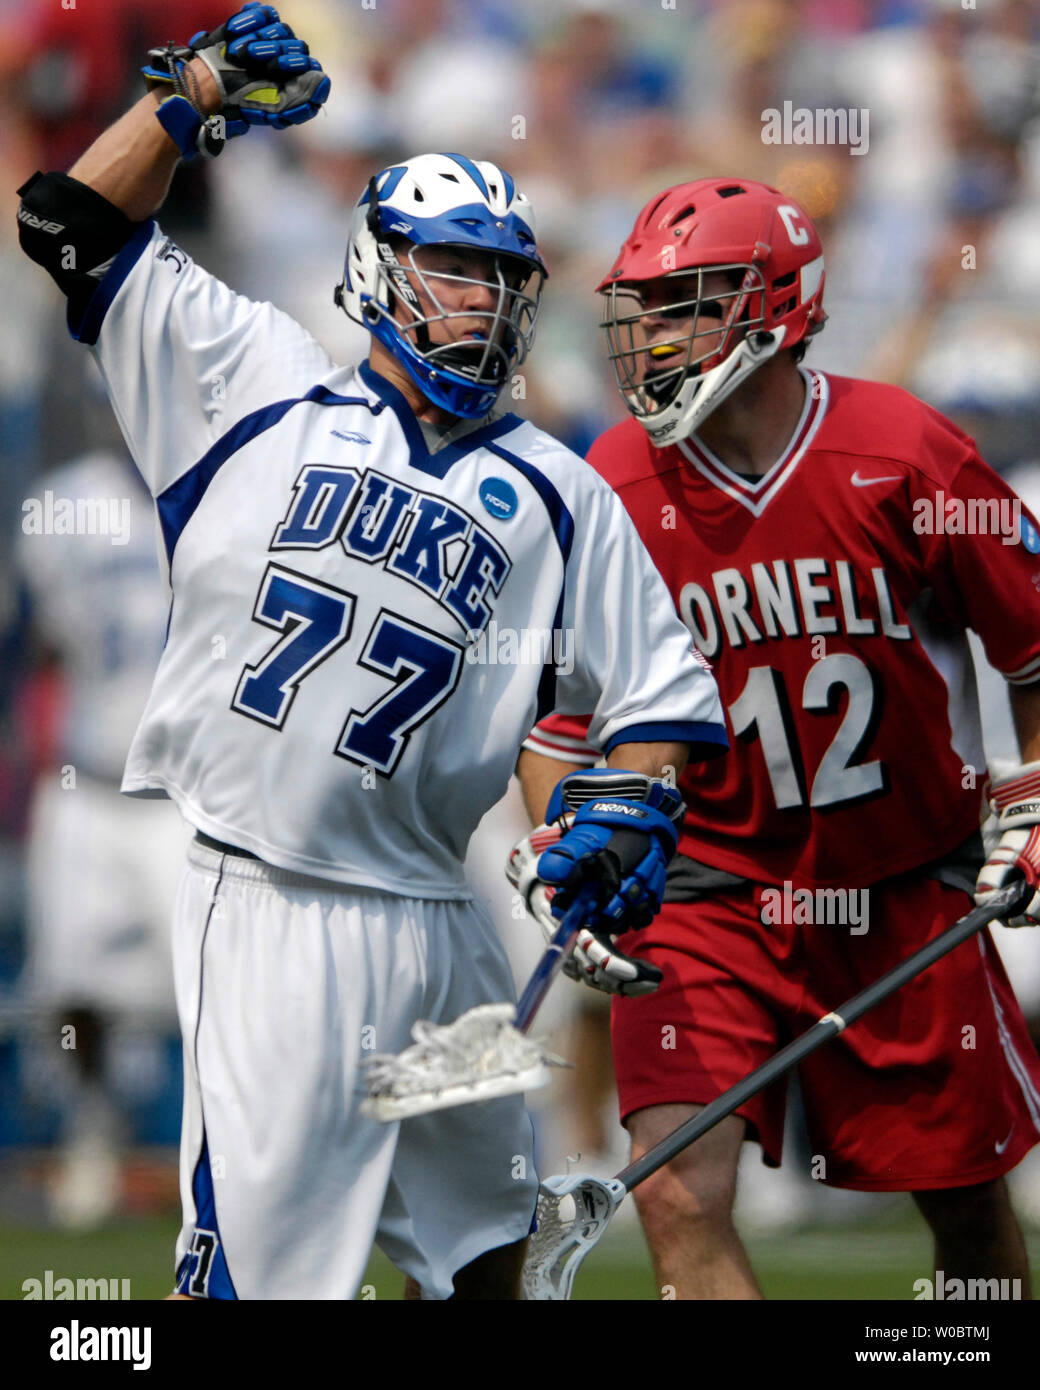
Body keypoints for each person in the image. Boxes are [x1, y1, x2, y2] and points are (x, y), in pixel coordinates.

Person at [15, 6, 727, 1299]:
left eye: (504, 281)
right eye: (458, 270)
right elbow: (68, 221)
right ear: (383, 265)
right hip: (271, 902)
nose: (486, 304)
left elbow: (662, 698)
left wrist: (624, 815)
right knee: (260, 1284)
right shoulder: (256, 382)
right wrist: (194, 98)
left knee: (486, 1262)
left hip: (442, 919)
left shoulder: (561, 491)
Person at [514, 176, 1040, 1299]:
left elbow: (1031, 645)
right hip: (702, 886)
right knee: (671, 1190)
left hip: (898, 887)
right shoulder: (611, 480)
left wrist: (1033, 797)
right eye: (641, 310)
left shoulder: (901, 450)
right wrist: (564, 857)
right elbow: (558, 718)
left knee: (967, 1211)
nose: (650, 338)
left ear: (774, 307)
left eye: (682, 306)